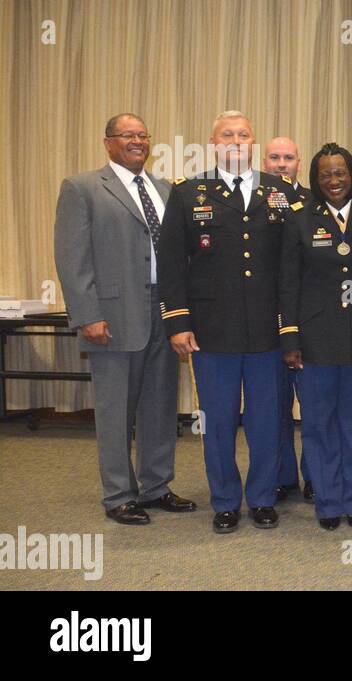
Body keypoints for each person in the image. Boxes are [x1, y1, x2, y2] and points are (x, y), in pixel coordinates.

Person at [158, 110, 304, 533]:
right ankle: (224, 500)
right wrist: (178, 322)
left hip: (266, 330)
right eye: (228, 134)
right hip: (211, 331)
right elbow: (171, 262)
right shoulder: (189, 192)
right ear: (214, 143)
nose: (236, 140)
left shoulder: (279, 192)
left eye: (243, 134)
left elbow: (292, 264)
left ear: (253, 144)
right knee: (218, 421)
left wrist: (291, 325)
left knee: (265, 420)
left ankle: (261, 498)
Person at [54, 113, 197, 526]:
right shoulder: (82, 188)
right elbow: (71, 257)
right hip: (112, 316)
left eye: (142, 135)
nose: (136, 141)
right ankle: (118, 494)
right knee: (116, 410)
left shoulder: (167, 189)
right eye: (127, 135)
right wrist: (87, 315)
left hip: (163, 312)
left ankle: (156, 487)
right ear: (108, 142)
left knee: (160, 404)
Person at [279, 143, 352, 530]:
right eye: (326, 175)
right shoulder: (299, 220)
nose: (334, 181)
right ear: (315, 180)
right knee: (320, 426)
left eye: (341, 173)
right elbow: (287, 283)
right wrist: (290, 338)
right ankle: (328, 503)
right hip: (315, 341)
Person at [262, 136, 311, 502]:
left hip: (306, 321)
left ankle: (315, 477)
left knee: (312, 406)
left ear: (299, 162)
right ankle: (282, 477)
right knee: (274, 406)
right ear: (265, 161)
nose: (281, 164)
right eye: (275, 157)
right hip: (264, 322)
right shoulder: (250, 202)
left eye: (288, 158)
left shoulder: (313, 202)